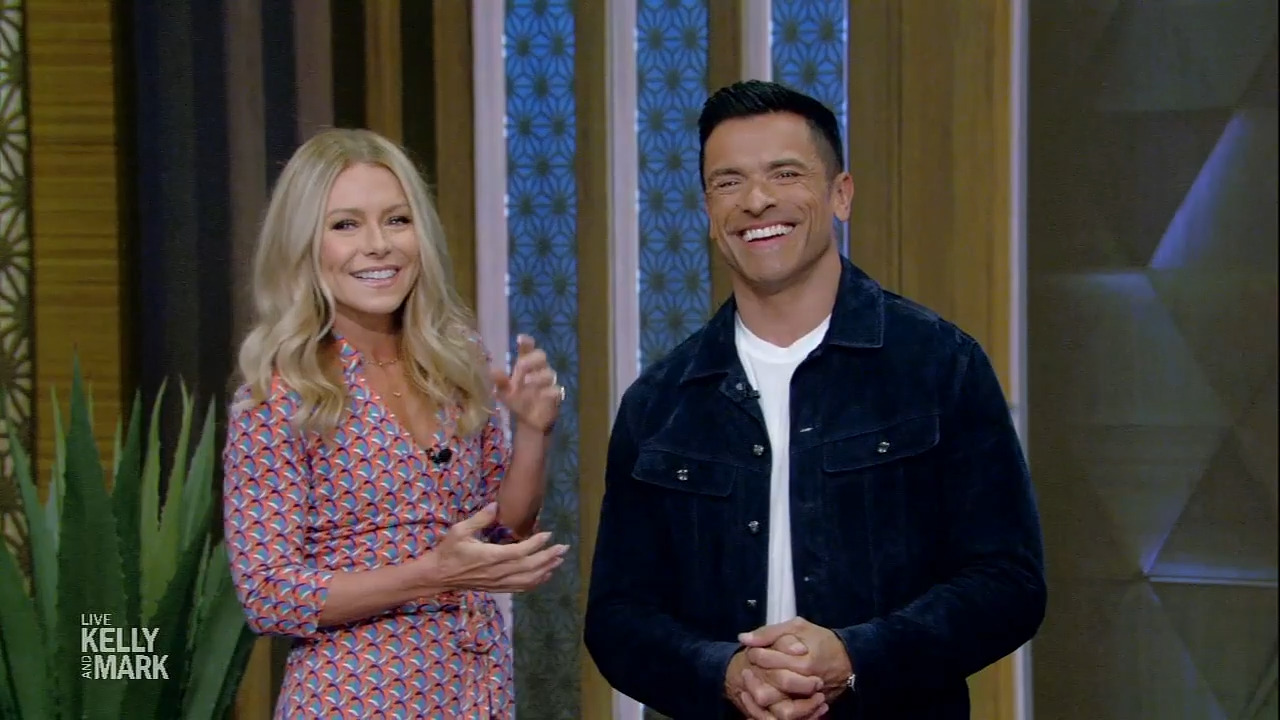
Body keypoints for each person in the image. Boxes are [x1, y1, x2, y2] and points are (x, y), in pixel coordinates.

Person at [584, 81, 1046, 719]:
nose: (756, 200)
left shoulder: (939, 365)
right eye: (728, 182)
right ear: (709, 211)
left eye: (785, 173)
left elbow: (1008, 583)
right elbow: (618, 618)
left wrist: (854, 658)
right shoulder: (660, 403)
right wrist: (729, 674)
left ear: (841, 194)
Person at [222, 128, 569, 719]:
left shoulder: (454, 360)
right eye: (346, 225)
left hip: (473, 686)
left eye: (397, 220)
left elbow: (498, 533)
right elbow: (268, 594)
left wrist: (535, 431)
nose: (378, 245)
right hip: (353, 696)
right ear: (304, 244)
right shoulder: (279, 396)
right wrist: (430, 575)